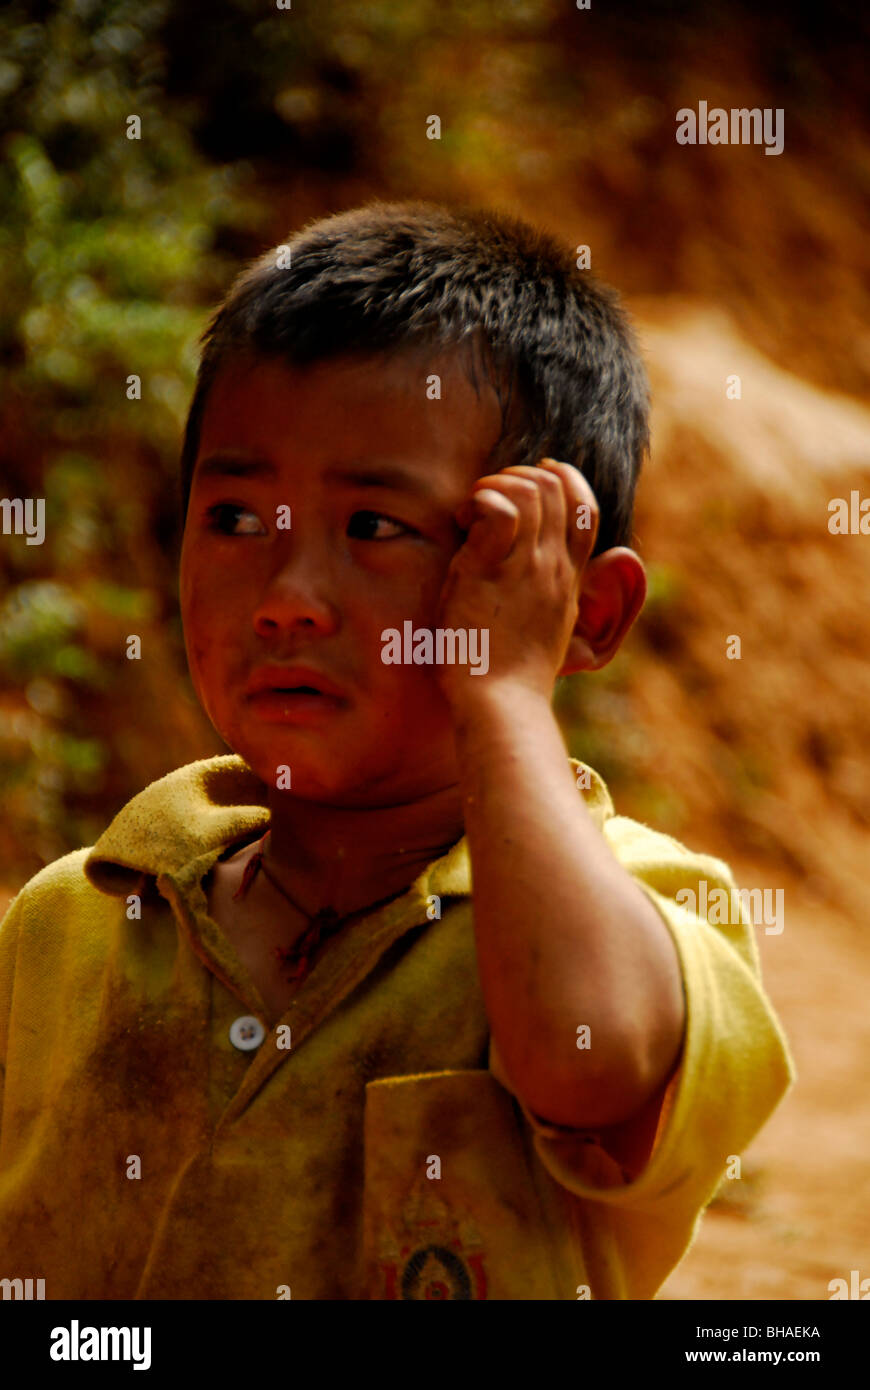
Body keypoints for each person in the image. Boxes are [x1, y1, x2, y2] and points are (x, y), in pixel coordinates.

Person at [0, 200, 794, 1300]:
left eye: (373, 528)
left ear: (584, 612)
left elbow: (589, 1052)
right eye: (235, 518)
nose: (286, 601)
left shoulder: (636, 907)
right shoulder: (71, 918)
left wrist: (505, 695)